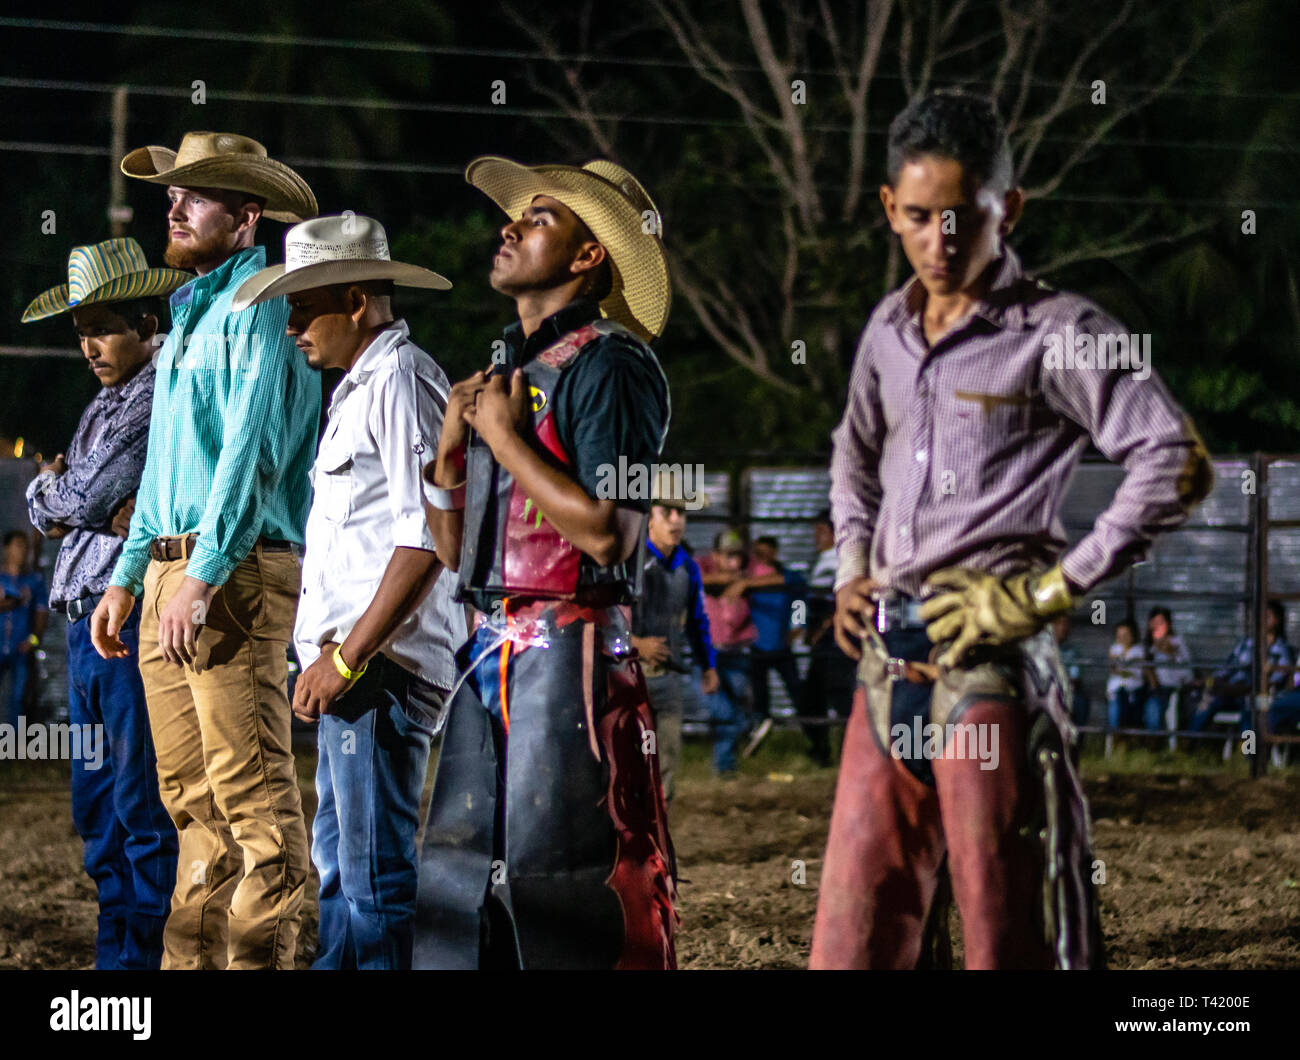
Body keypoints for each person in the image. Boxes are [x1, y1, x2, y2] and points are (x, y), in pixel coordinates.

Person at [813, 91, 1213, 970]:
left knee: (1013, 942)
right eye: (918, 217)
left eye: (964, 216)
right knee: (851, 947)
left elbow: (1176, 461)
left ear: (1010, 207)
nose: (940, 241)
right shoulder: (886, 328)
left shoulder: (1062, 332)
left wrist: (1048, 591)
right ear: (890, 210)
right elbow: (852, 451)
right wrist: (849, 562)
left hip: (991, 674)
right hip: (885, 672)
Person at [414, 156, 676, 969]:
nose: (510, 227)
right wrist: (450, 460)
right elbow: (458, 558)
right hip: (491, 648)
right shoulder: (509, 376)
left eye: (540, 219)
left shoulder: (613, 366)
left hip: (573, 655)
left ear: (589, 254)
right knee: (460, 879)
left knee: (566, 877)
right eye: (516, 216)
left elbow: (610, 534)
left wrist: (499, 437)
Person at [89, 131, 320, 970]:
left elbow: (248, 453)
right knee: (190, 802)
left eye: (197, 195)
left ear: (246, 215)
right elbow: (165, 464)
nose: (175, 207)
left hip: (230, 569)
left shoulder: (259, 303)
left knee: (251, 796)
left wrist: (202, 571)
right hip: (171, 573)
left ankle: (259, 961)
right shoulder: (192, 313)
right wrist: (128, 576)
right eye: (173, 195)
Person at [231, 213, 463, 969]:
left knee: (369, 880)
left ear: (356, 299)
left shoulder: (398, 380)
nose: (292, 324)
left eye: (304, 306)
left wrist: (349, 658)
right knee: (345, 871)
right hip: (358, 672)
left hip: (377, 673)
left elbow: (426, 536)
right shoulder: (363, 385)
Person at [22, 237, 188, 969]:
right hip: (86, 628)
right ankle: (116, 950)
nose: (90, 344)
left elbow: (76, 495)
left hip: (119, 624)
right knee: (97, 805)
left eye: (105, 327)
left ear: (145, 323)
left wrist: (56, 494)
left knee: (136, 800)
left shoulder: (154, 395)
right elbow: (66, 502)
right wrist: (57, 498)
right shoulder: (104, 404)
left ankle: (136, 962)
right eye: (82, 331)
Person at [629, 472, 718, 802]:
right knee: (633, 758)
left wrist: (708, 666)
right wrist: (637, 643)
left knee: (667, 758)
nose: (676, 520)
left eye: (681, 513)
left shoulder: (687, 568)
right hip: (631, 675)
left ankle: (657, 833)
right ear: (650, 516)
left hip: (666, 677)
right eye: (668, 511)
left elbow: (697, 620)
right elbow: (607, 617)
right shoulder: (631, 562)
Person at [697, 529, 758, 775]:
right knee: (724, 711)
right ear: (716, 556)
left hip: (736, 653)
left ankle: (726, 766)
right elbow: (690, 576)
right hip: (706, 656)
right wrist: (730, 582)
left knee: (733, 708)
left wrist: (745, 582)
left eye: (737, 557)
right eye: (727, 556)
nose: (734, 563)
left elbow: (787, 579)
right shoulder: (702, 567)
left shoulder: (750, 573)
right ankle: (726, 764)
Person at [798, 511, 856, 765]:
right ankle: (822, 749)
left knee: (839, 696)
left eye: (822, 532)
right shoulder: (822, 561)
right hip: (823, 641)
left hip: (835, 640)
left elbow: (839, 602)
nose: (816, 537)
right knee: (813, 698)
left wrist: (821, 629)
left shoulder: (839, 561)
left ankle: (845, 753)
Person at [1187, 600, 1292, 735]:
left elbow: (1276, 679)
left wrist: (1251, 688)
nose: (1262, 620)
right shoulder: (1246, 643)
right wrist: (1211, 680)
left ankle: (1249, 751)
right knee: (1208, 701)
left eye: (1267, 617)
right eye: (1260, 616)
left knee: (1251, 712)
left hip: (1254, 694)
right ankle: (1188, 741)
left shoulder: (1281, 650)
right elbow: (1229, 667)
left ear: (1277, 620)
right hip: (1232, 690)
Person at [744, 535, 807, 753]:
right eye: (758, 552)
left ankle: (816, 742)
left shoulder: (787, 577)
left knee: (797, 694)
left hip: (781, 646)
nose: (762, 557)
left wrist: (798, 624)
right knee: (759, 697)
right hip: (757, 646)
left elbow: (799, 596)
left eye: (766, 552)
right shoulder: (749, 577)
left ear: (775, 552)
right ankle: (758, 737)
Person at [0, 531, 47, 725]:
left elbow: (42, 612)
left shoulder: (33, 582)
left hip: (21, 646)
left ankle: (13, 745)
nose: (22, 551)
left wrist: (33, 639)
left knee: (19, 696)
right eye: (18, 545)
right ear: (7, 548)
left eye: (25, 546)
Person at [1140, 606, 1195, 731]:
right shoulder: (1146, 645)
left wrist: (1173, 654)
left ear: (1169, 624)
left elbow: (1188, 674)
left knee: (1154, 706)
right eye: (1154, 623)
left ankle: (1155, 741)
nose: (1156, 627)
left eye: (1161, 623)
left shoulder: (1177, 643)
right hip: (1145, 688)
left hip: (1167, 688)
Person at [1050, 614, 1090, 726]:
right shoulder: (1041, 649)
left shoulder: (1073, 653)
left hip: (1066, 691)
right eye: (1059, 624)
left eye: (1066, 624)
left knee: (1079, 701)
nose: (1063, 628)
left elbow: (1075, 677)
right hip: (1044, 692)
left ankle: (1077, 740)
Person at [1106, 620, 1145, 730]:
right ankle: (1116, 736)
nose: (1122, 638)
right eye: (1119, 635)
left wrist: (1122, 666)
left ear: (1133, 635)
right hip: (1116, 689)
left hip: (1135, 689)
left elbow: (1139, 670)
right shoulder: (1114, 648)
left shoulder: (1139, 650)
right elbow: (1113, 668)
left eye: (1125, 635)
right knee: (1116, 704)